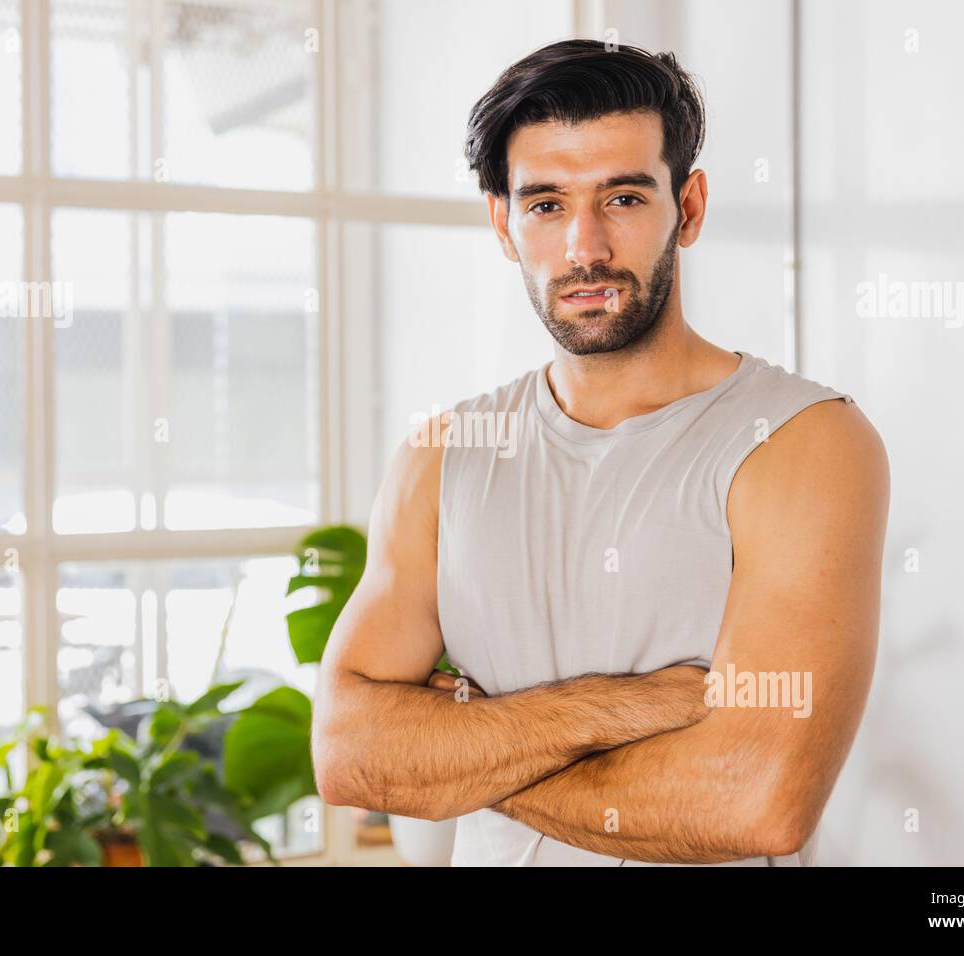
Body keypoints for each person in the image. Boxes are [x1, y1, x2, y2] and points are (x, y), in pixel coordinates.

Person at [312, 38, 890, 866]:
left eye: (621, 197)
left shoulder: (803, 442)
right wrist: (627, 708)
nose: (585, 247)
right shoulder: (442, 456)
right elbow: (348, 754)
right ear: (503, 223)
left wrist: (457, 754)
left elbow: (757, 802)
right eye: (545, 204)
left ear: (687, 208)